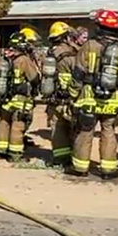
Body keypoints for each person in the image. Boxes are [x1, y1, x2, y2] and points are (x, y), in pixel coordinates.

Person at [73, 10, 118, 179]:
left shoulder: (89, 45)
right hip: (114, 99)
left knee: (86, 131)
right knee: (109, 131)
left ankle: (80, 168)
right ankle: (108, 170)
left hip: (89, 97)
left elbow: (78, 73)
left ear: (99, 27)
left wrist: (75, 96)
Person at [0, 30, 41, 161]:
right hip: (21, 99)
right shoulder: (24, 60)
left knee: (4, 123)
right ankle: (14, 155)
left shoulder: (6, 59)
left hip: (6, 99)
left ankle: (0, 150)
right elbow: (34, 78)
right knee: (18, 126)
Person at [48, 23, 84, 171]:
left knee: (57, 128)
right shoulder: (71, 55)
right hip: (70, 98)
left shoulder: (51, 53)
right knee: (75, 130)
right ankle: (75, 160)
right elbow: (80, 76)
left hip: (54, 98)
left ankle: (60, 158)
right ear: (66, 37)